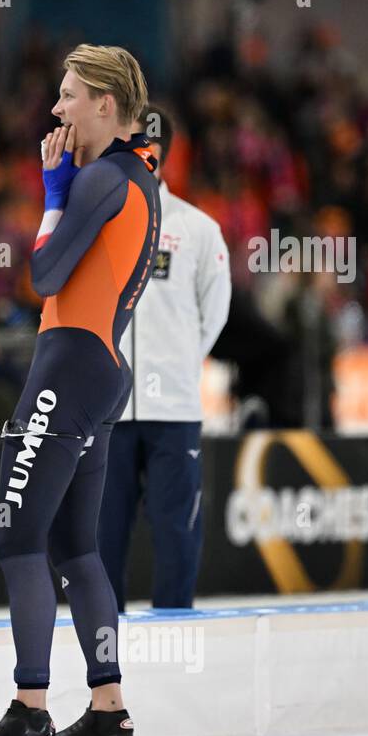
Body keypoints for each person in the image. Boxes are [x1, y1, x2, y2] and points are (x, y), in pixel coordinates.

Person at [0, 45, 160, 736]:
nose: (56, 108)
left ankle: (29, 710)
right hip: (98, 369)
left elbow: (43, 273)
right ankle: (109, 712)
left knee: (18, 537)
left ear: (106, 104)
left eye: (69, 96)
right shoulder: (134, 176)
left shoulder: (104, 177)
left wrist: (52, 192)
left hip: (68, 369)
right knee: (77, 550)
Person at [98, 106, 231, 610]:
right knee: (103, 534)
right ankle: (102, 647)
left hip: (173, 411)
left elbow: (214, 314)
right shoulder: (99, 221)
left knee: (177, 528)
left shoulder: (198, 230)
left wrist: (178, 365)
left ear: (162, 153)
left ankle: (175, 635)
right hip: (109, 409)